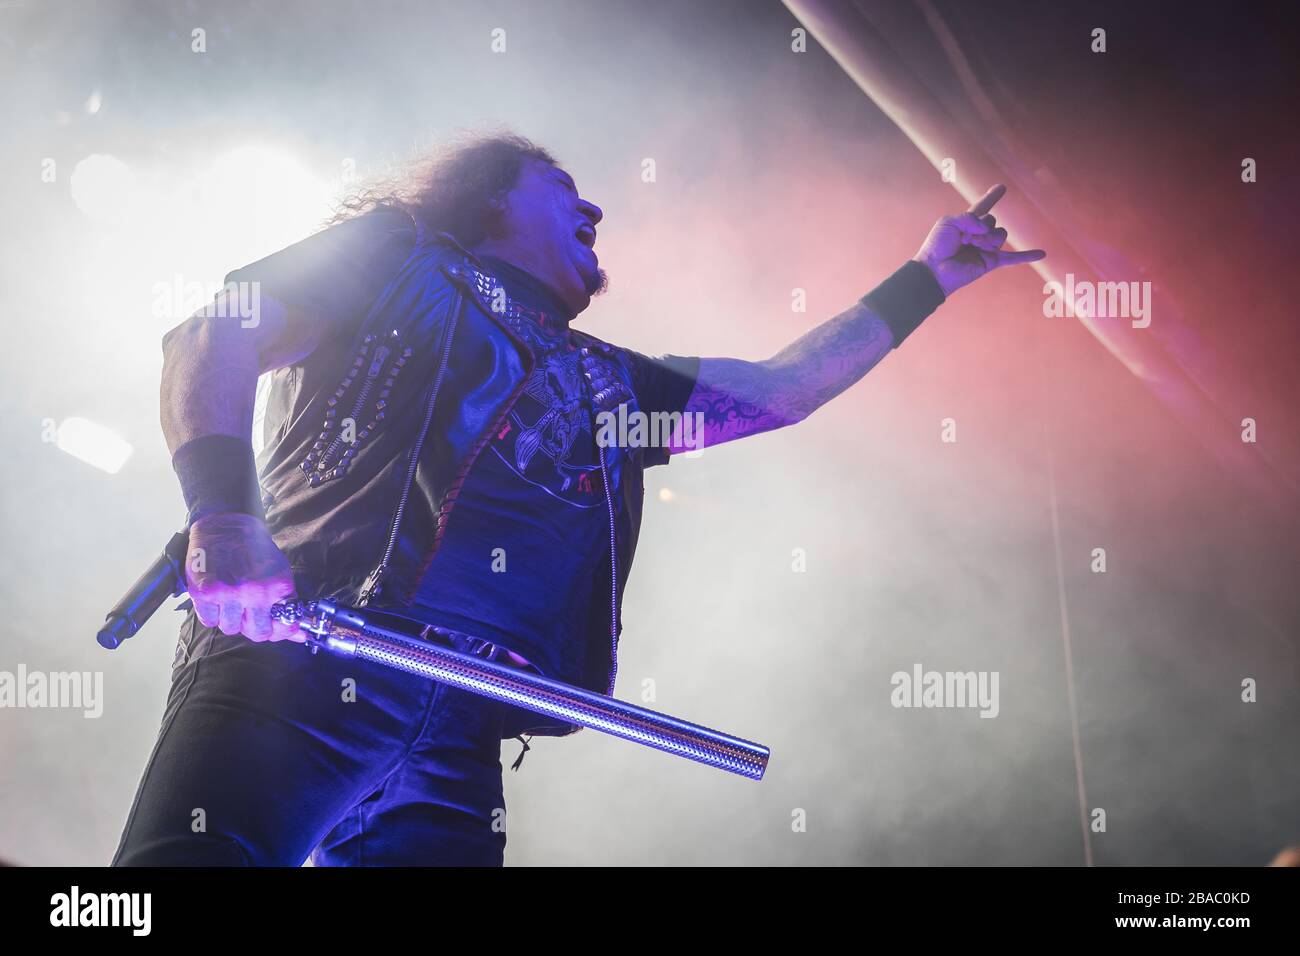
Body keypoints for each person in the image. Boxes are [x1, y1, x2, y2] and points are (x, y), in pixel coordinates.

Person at [112, 132, 1044, 866]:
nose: (593, 204)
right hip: (307, 652)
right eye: (560, 187)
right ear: (486, 195)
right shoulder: (399, 258)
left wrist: (927, 280)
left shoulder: (608, 384)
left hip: (465, 714)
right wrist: (223, 514)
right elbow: (209, 336)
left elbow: (779, 391)